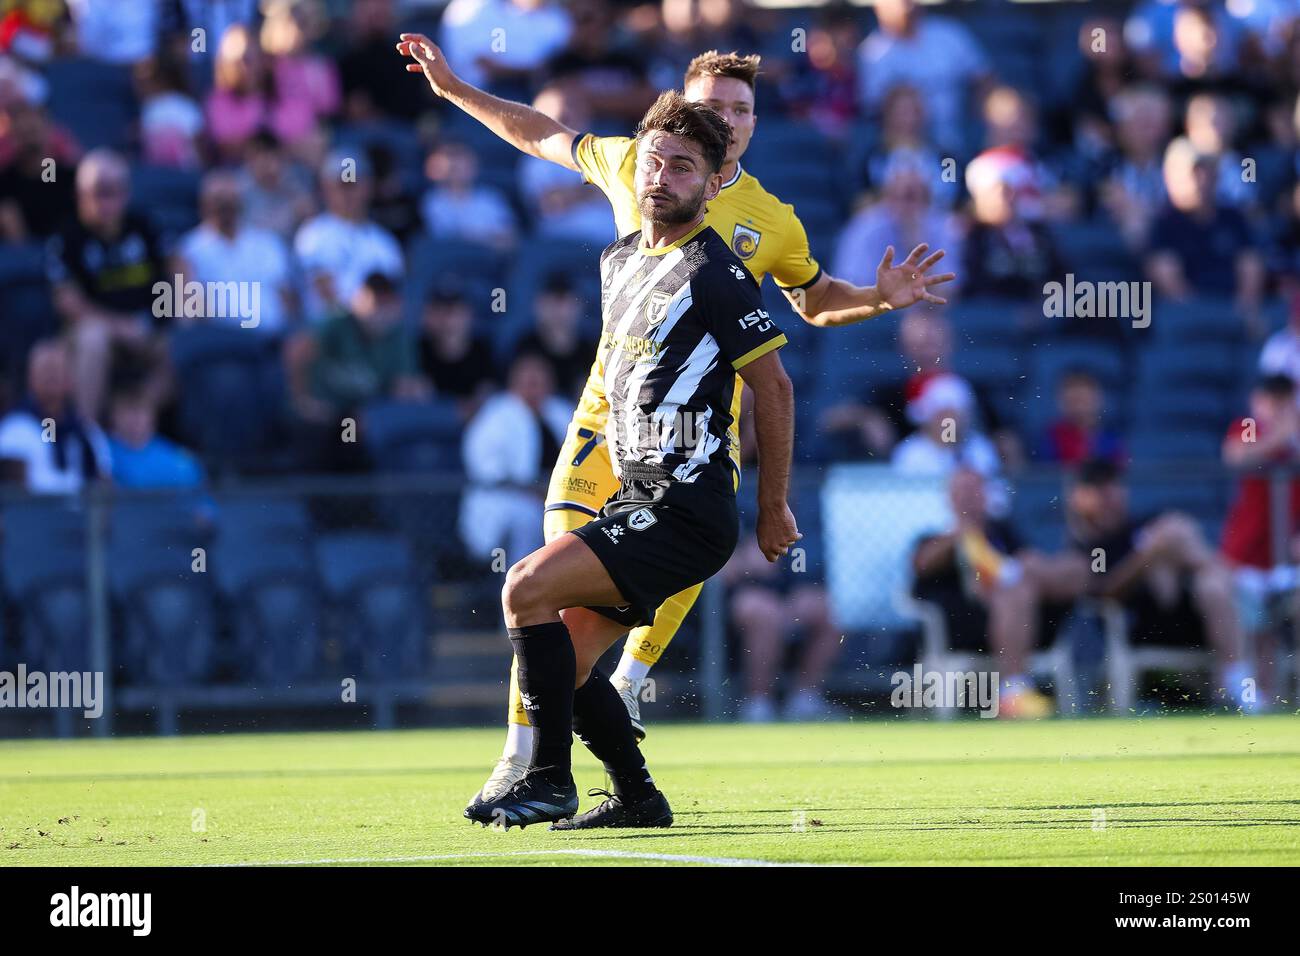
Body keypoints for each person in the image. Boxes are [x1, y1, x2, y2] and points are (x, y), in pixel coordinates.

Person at [396, 35, 955, 807]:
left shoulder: (762, 226)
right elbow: (537, 131)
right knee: (553, 601)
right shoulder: (638, 165)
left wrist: (879, 297)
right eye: (709, 105)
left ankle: (575, 743)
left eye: (739, 109)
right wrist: (453, 87)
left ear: (750, 128)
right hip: (603, 425)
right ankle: (544, 760)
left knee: (559, 607)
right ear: (680, 111)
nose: (723, 116)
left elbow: (813, 306)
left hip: (691, 452)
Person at [461, 92, 797, 829]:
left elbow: (773, 386)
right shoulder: (618, 260)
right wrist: (453, 88)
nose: (662, 175)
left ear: (712, 186)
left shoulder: (715, 270)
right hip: (639, 495)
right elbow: (543, 134)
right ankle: (638, 797)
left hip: (685, 505)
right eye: (654, 160)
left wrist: (771, 507)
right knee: (568, 663)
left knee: (524, 589)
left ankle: (548, 777)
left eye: (683, 167)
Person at [1066, 458, 1253, 709]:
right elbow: (1103, 592)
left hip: (1193, 615)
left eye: (1114, 488)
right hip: (1142, 623)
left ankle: (1233, 679)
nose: (1110, 498)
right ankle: (1236, 678)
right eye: (1100, 491)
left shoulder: (1142, 524)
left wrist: (1158, 546)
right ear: (1083, 498)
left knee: (1206, 576)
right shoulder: (1093, 547)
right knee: (1174, 547)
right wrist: (1147, 555)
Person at [911, 469, 1088, 718]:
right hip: (969, 628)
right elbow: (921, 564)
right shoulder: (936, 537)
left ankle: (1038, 575)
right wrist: (960, 535)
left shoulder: (1002, 532)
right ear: (949, 498)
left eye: (974, 490)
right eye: (962, 492)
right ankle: (1012, 692)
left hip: (1032, 620)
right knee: (1019, 587)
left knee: (1063, 567)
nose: (969, 498)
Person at [460, 352, 570, 566]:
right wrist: (532, 491)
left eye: (539, 381)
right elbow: (486, 468)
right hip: (506, 499)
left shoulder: (560, 411)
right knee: (526, 519)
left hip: (557, 496)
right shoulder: (496, 414)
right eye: (528, 381)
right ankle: (516, 588)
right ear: (513, 383)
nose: (534, 387)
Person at [0, 339, 109, 494]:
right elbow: (13, 500)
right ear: (30, 377)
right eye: (45, 369)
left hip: (80, 516)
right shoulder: (14, 429)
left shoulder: (87, 432)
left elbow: (104, 488)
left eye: (57, 370)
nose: (51, 376)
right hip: (34, 516)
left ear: (70, 379)